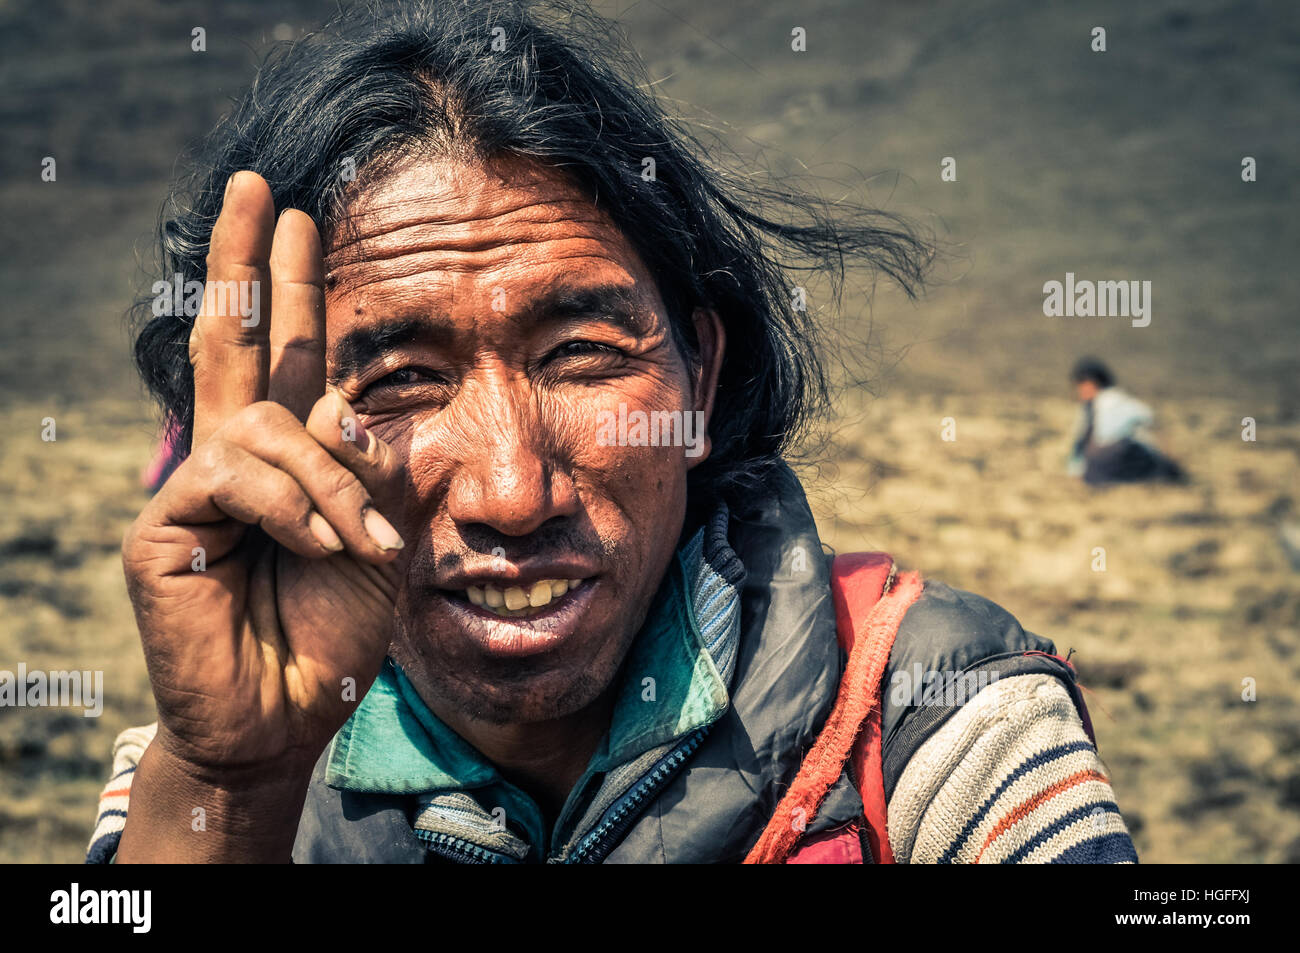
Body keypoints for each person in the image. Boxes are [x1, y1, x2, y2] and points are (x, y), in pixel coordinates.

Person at [87, 0, 1136, 864]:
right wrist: (234, 791)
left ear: (701, 372)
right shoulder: (183, 783)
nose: (511, 492)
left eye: (583, 352)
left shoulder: (938, 720)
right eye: (402, 377)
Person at [1068, 357, 1185, 486]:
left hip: (1100, 466)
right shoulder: (1114, 399)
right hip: (1115, 457)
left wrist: (1075, 470)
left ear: (1091, 383)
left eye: (1080, 386)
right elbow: (1149, 418)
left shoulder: (1101, 403)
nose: (1079, 391)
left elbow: (1080, 442)